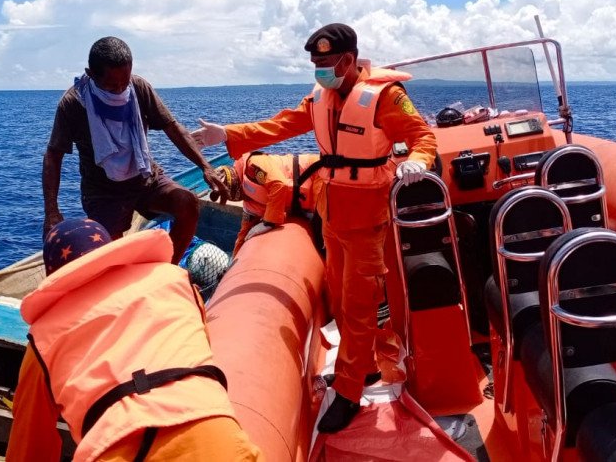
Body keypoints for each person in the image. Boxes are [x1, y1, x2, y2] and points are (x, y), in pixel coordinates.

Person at [192, 23, 437, 433]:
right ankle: (364, 369)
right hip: (332, 214)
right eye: (315, 63)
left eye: (325, 62)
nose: (319, 70)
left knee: (358, 308)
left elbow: (422, 137)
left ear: (347, 59)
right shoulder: (320, 97)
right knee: (341, 304)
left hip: (366, 218)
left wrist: (419, 161)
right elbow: (280, 125)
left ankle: (348, 393)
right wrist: (228, 134)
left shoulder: (386, 97)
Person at [6, 218, 262, 462]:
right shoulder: (175, 280)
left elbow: (30, 442)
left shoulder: (43, 337)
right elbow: (202, 347)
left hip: (113, 448)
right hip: (213, 432)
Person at [42, 36, 226, 264]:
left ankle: (169, 269)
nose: (120, 89)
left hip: (144, 177)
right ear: (90, 74)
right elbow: (53, 154)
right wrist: (51, 211)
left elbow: (172, 127)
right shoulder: (73, 103)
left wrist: (205, 166)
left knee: (187, 203)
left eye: (124, 81)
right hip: (102, 191)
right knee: (112, 254)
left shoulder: (138, 88)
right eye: (111, 85)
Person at [214, 152, 320, 254]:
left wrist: (268, 223)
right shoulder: (250, 202)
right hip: (306, 202)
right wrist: (235, 255)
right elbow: (244, 231)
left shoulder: (253, 164)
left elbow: (278, 184)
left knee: (326, 233)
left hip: (317, 174)